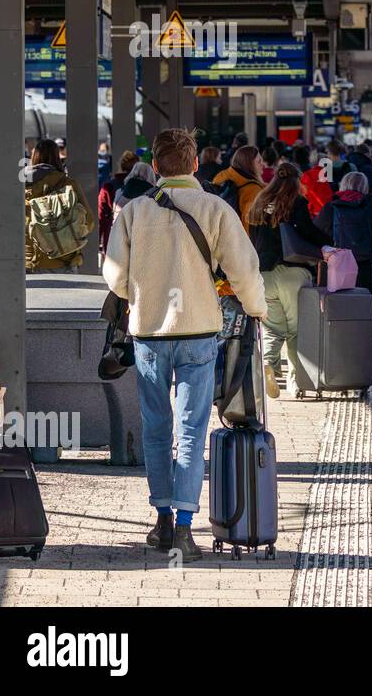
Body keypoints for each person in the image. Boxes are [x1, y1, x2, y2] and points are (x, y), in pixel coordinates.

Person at [102, 128, 266, 561]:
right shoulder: (215, 208)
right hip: (198, 333)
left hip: (150, 336)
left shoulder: (134, 211)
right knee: (190, 432)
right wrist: (256, 308)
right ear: (195, 165)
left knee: (156, 430)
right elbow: (245, 271)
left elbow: (114, 276)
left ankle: (159, 520)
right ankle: (184, 529)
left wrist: (143, 290)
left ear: (155, 167)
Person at [248, 162, 331, 398]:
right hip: (292, 273)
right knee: (296, 330)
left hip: (264, 274)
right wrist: (327, 243)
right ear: (297, 181)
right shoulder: (297, 203)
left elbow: (254, 241)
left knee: (273, 328)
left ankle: (269, 366)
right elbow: (307, 232)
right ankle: (297, 382)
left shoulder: (260, 202)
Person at [316, 172, 372, 295]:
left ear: (342, 185)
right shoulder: (369, 210)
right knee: (364, 307)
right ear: (365, 188)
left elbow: (315, 233)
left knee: (335, 308)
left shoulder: (330, 207)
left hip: (335, 267)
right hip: (363, 267)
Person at [25, 139, 95, 273]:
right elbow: (89, 222)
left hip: (30, 262)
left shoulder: (22, 188)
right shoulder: (68, 184)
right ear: (57, 157)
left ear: (34, 157)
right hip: (64, 260)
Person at [211, 145, 265, 231]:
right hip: (240, 240)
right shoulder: (253, 190)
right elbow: (249, 224)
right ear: (249, 164)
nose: (263, 164)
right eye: (259, 161)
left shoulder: (221, 177)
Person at [99, 150, 140, 253]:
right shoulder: (144, 188)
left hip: (113, 235)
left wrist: (99, 237)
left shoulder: (108, 187)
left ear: (120, 166)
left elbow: (101, 217)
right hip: (138, 236)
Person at [296, 145, 333, 217]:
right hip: (330, 214)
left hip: (312, 214)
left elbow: (303, 195)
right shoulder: (331, 176)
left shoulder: (308, 175)